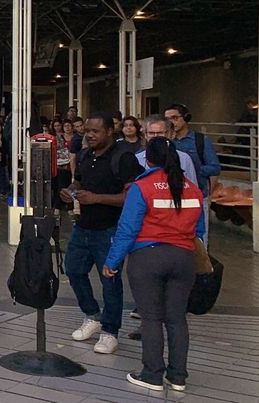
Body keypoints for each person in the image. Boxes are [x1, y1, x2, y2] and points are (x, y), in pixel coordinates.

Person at [103, 138, 205, 392]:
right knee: (177, 319)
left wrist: (112, 262)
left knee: (151, 318)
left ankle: (152, 374)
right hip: (183, 259)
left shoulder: (142, 187)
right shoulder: (192, 188)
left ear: (147, 159)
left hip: (148, 259)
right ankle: (178, 376)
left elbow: (127, 229)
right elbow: (199, 230)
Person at [59, 112, 142, 355]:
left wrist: (97, 199)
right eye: (87, 131)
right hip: (83, 226)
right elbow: (80, 182)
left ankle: (110, 331)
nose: (90, 135)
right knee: (73, 270)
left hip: (110, 229)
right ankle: (92, 315)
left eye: (95, 131)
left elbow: (133, 197)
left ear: (109, 132)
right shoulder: (85, 155)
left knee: (110, 281)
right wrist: (71, 190)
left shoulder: (123, 158)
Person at [164, 103, 219, 241]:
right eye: (167, 119)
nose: (171, 122)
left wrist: (193, 168)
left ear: (186, 118)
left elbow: (214, 167)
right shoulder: (166, 142)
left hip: (196, 195)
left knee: (200, 239)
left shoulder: (200, 140)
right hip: (170, 195)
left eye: (175, 118)